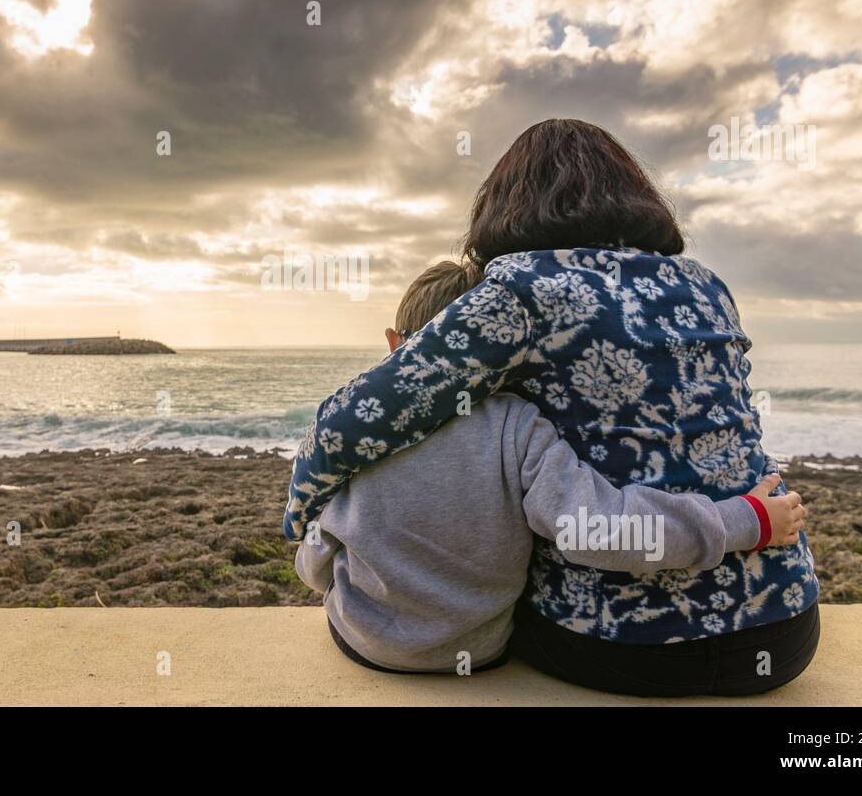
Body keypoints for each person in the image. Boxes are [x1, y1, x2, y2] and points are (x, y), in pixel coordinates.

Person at [285, 118, 819, 694]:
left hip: (624, 646)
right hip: (785, 628)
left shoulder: (517, 289)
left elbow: (355, 422)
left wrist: (304, 513)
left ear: (504, 205)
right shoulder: (707, 284)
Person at [294, 258, 803, 675]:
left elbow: (319, 552)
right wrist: (746, 520)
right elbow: (603, 529)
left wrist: (320, 571)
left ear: (394, 345)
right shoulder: (515, 427)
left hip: (368, 644)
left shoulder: (359, 428)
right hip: (479, 651)